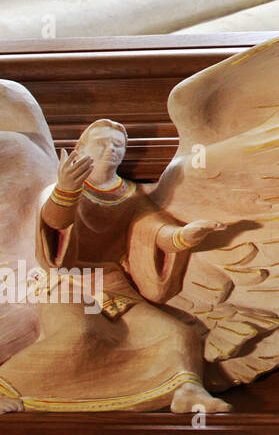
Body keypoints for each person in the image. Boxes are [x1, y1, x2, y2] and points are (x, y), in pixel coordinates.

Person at [0, 119, 228, 413]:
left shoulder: (129, 195)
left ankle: (187, 391)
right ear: (80, 148)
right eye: (102, 143)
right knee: (79, 336)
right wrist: (67, 190)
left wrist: (184, 236)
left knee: (176, 333)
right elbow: (54, 222)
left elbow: (153, 230)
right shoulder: (61, 188)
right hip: (67, 283)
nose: (111, 149)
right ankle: (6, 386)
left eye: (118, 145)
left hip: (113, 286)